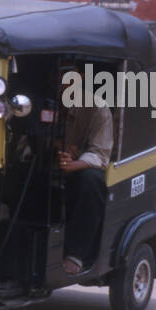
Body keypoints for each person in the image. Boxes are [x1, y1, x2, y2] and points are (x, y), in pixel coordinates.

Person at [57, 72, 113, 275]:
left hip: (78, 168)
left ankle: (76, 253)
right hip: (46, 164)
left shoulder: (96, 107)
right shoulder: (43, 102)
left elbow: (100, 153)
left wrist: (76, 163)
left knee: (91, 182)